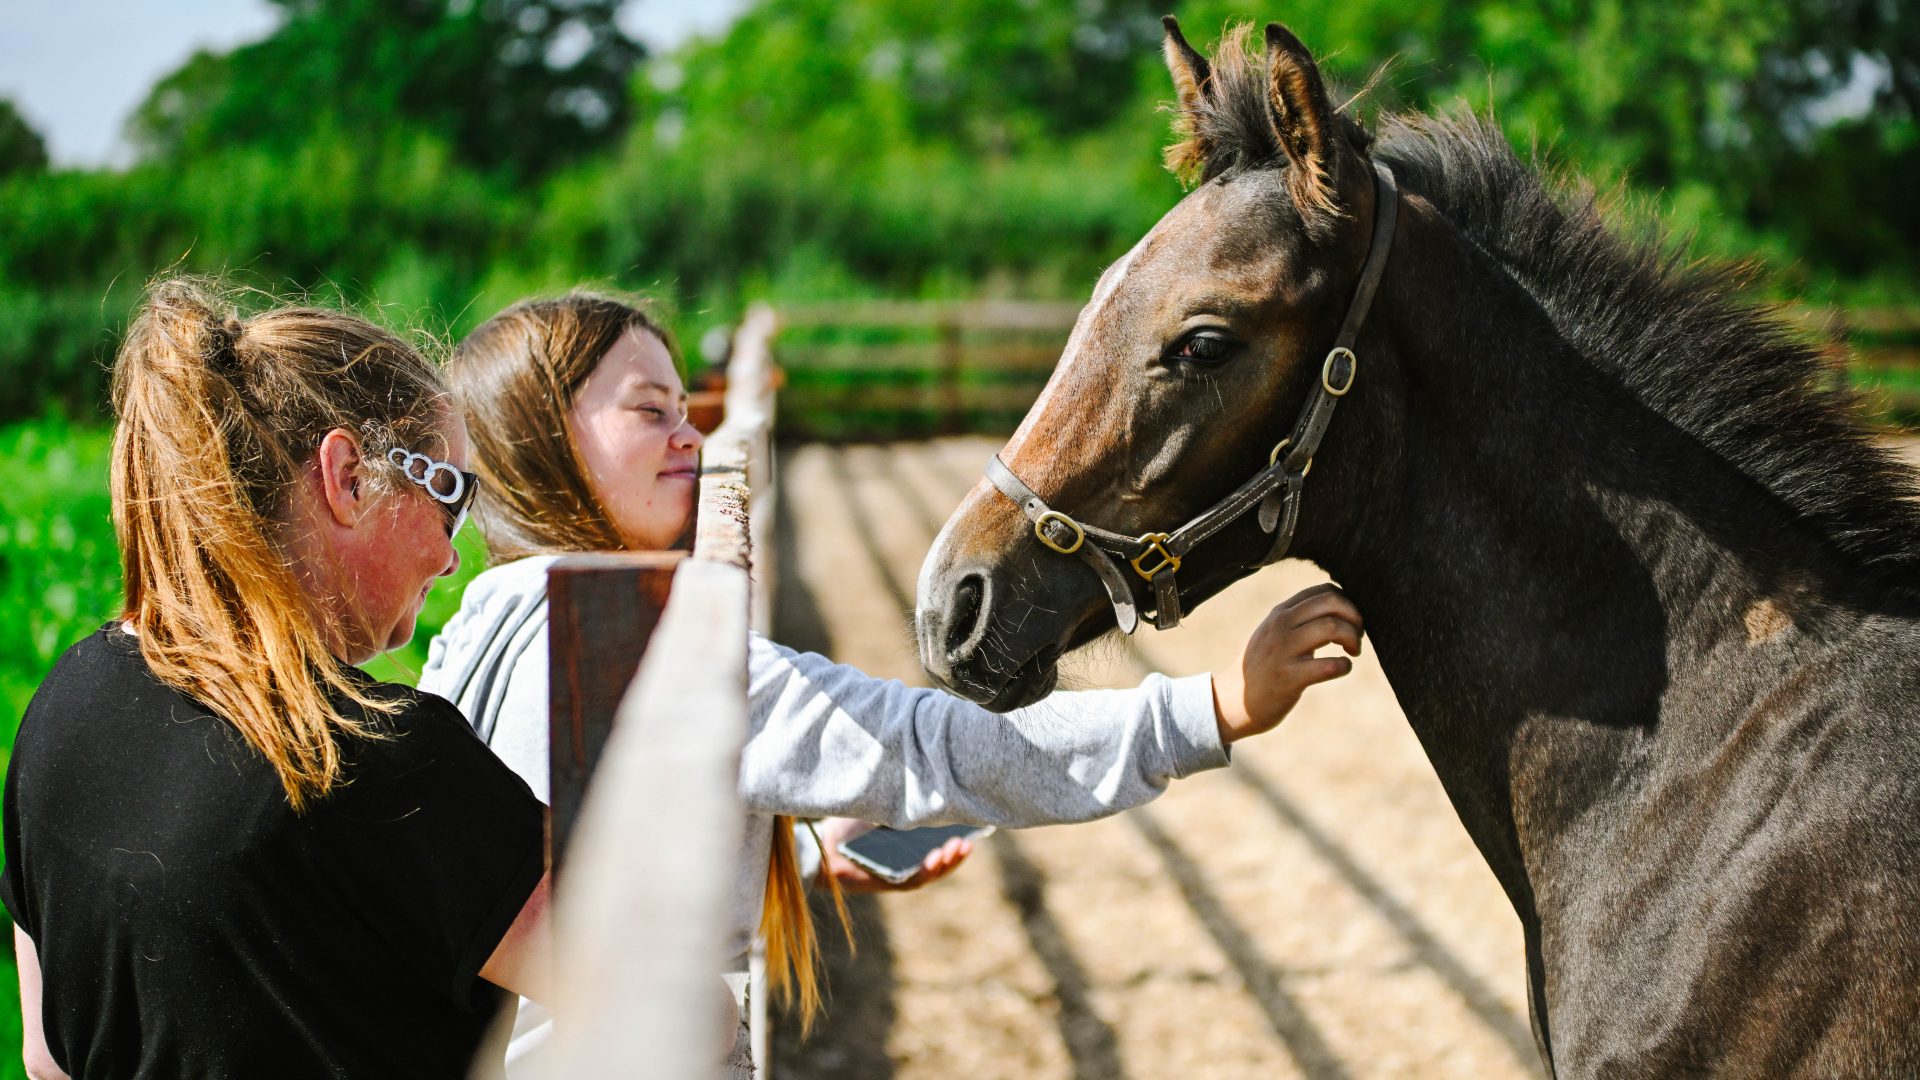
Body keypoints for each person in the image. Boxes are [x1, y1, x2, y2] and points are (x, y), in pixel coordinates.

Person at [420, 293, 1365, 1072]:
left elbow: (578, 855)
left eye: (685, 408)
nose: (690, 437)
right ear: (543, 436)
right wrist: (1213, 708)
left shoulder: (480, 634)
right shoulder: (653, 646)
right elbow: (933, 749)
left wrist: (796, 859)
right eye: (649, 410)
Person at [1, 279, 550, 1079]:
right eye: (450, 496)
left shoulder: (63, 707)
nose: (449, 556)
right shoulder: (375, 758)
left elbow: (46, 1057)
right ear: (348, 477)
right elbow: (673, 1005)